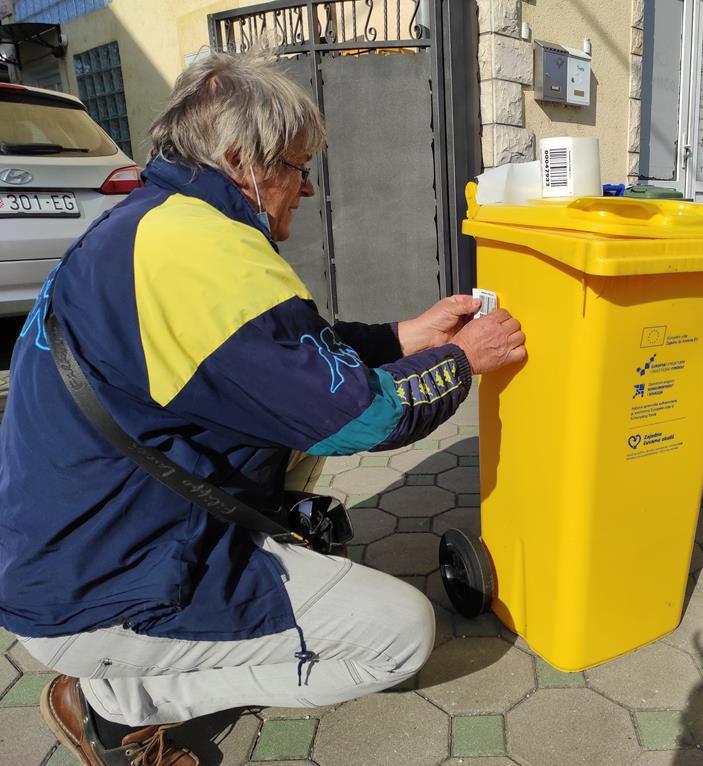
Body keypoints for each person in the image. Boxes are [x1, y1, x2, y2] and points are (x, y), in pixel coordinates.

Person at [0, 50, 525, 766]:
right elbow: (365, 417)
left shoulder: (149, 224)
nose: (307, 188)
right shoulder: (205, 257)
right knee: (400, 636)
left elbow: (279, 354)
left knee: (297, 427)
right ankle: (119, 703)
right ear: (243, 161)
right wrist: (461, 361)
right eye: (298, 166)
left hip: (70, 544)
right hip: (103, 589)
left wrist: (407, 336)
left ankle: (180, 629)